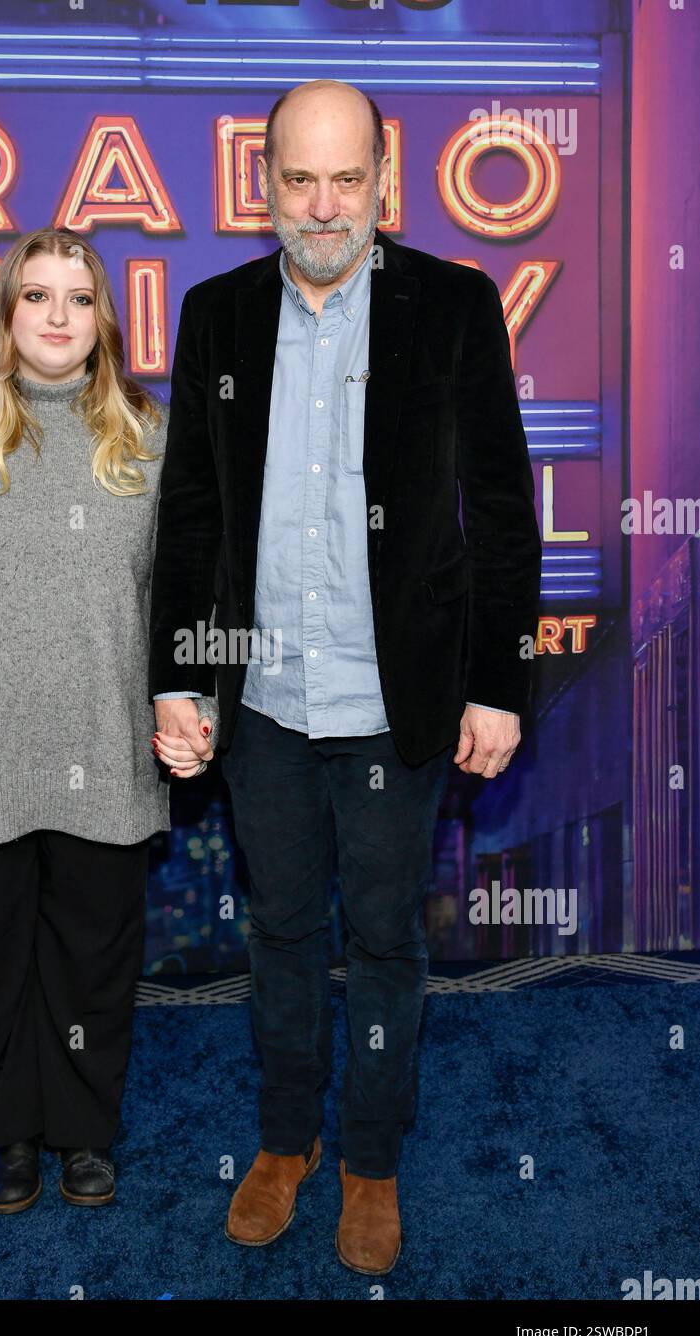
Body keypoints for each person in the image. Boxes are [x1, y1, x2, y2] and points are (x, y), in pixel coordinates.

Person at [149, 80, 542, 1273]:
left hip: (395, 704)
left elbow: (505, 510)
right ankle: (286, 1141)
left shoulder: (456, 305)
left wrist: (497, 683)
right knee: (275, 933)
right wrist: (181, 675)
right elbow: (194, 516)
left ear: (385, 178)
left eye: (346, 179)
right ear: (263, 184)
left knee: (382, 940)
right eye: (297, 180)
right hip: (263, 702)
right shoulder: (216, 316)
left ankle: (367, 1159)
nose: (323, 207)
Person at [0, 227, 218, 1214]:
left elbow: (194, 593)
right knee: (4, 962)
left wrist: (200, 707)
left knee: (97, 964)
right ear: (7, 315)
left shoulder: (153, 433)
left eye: (78, 297)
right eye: (37, 296)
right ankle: (14, 1136)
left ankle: (84, 1137)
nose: (57, 316)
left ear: (104, 318)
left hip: (108, 755)